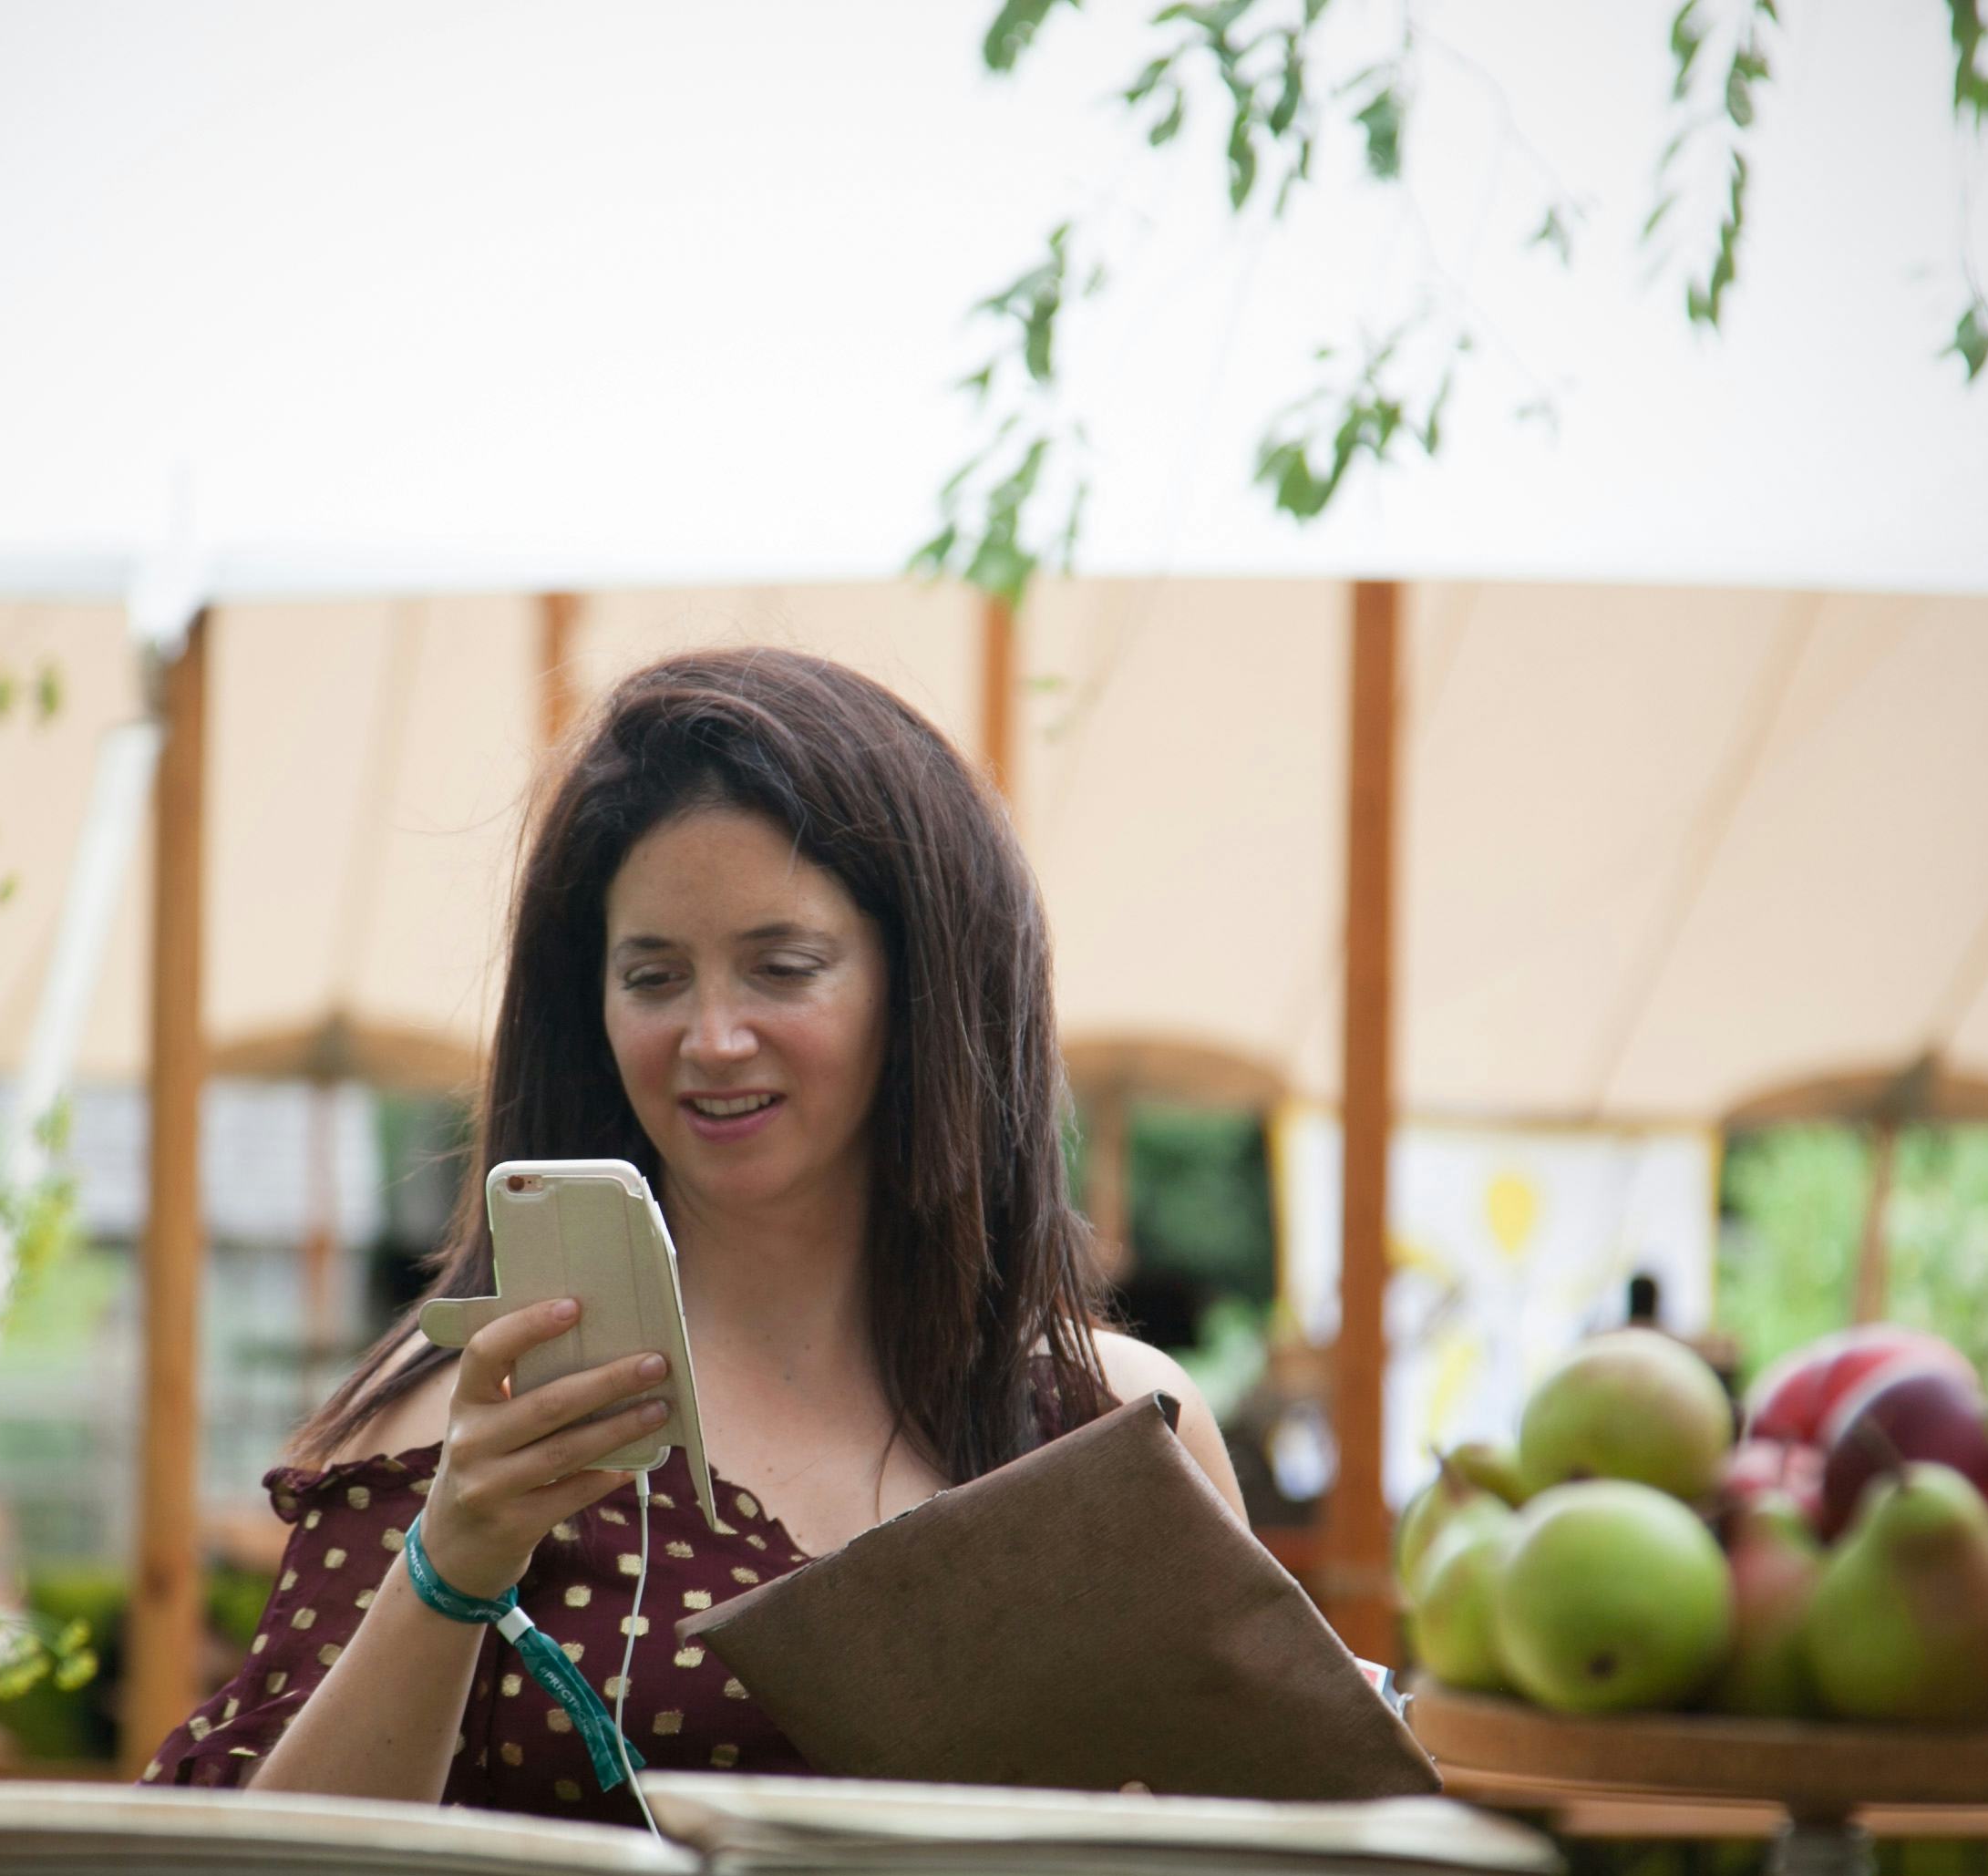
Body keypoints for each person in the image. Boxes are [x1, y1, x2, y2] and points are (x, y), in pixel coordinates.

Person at [146, 649, 1243, 1816]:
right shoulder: (479, 1413)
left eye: (783, 968)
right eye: (654, 977)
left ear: (926, 988)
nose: (712, 1038)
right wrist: (449, 1568)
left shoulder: (1114, 1425)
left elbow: (1269, 1847)